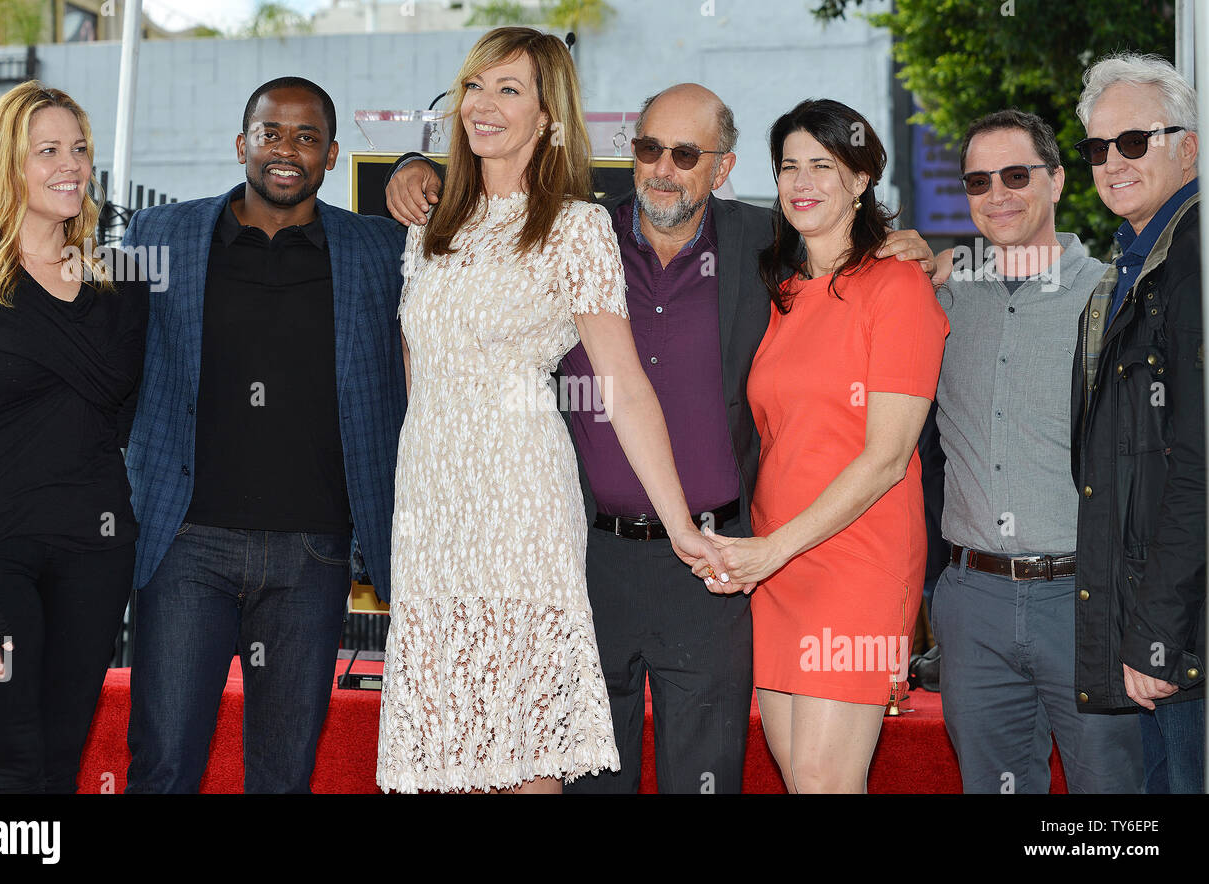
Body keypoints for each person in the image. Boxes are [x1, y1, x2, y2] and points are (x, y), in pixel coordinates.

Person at [385, 86, 934, 793]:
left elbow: (849, 253)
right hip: (587, 562)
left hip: (714, 568)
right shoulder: (576, 236)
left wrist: (908, 248)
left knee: (716, 776)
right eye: (648, 149)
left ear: (723, 167)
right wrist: (413, 164)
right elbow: (478, 224)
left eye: (685, 154)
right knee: (584, 775)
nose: (663, 169)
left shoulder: (765, 245)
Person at [375, 27, 732, 794]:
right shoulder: (428, 227)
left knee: (525, 747)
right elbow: (417, 370)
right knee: (449, 751)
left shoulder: (576, 227)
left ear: (548, 117)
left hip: (520, 504)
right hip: (432, 510)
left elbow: (623, 385)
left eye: (510, 89)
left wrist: (679, 525)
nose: (484, 104)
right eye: (475, 86)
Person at [117, 77, 407, 793]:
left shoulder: (380, 250)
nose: (287, 149)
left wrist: (413, 168)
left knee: (283, 777)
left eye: (307, 137)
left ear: (333, 155)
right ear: (241, 143)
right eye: (270, 132)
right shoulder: (162, 235)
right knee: (163, 766)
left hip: (312, 555)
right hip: (185, 544)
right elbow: (86, 329)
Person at [697, 99, 948, 793]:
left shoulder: (897, 286)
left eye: (824, 166)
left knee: (822, 779)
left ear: (862, 178)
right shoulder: (779, 288)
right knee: (800, 776)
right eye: (789, 167)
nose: (802, 182)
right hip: (775, 566)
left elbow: (887, 457)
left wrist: (772, 551)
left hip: (856, 564)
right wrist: (764, 551)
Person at [0, 81, 147, 792]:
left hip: (93, 558)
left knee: (58, 764)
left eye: (77, 149)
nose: (69, 165)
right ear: (5, 166)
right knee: (10, 770)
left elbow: (123, 417)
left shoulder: (120, 284)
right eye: (47, 151)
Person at [933, 108, 1142, 793]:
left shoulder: (1117, 296)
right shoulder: (940, 297)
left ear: (1056, 180)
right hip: (971, 601)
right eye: (978, 181)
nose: (997, 194)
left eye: (1017, 174)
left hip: (1086, 599)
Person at [1071, 53, 1206, 793]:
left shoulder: (1194, 261)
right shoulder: (1134, 261)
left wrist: (1156, 633)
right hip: (1165, 634)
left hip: (1184, 640)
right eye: (1098, 147)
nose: (1112, 162)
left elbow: (1199, 464)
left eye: (1134, 142)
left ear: (1188, 145)